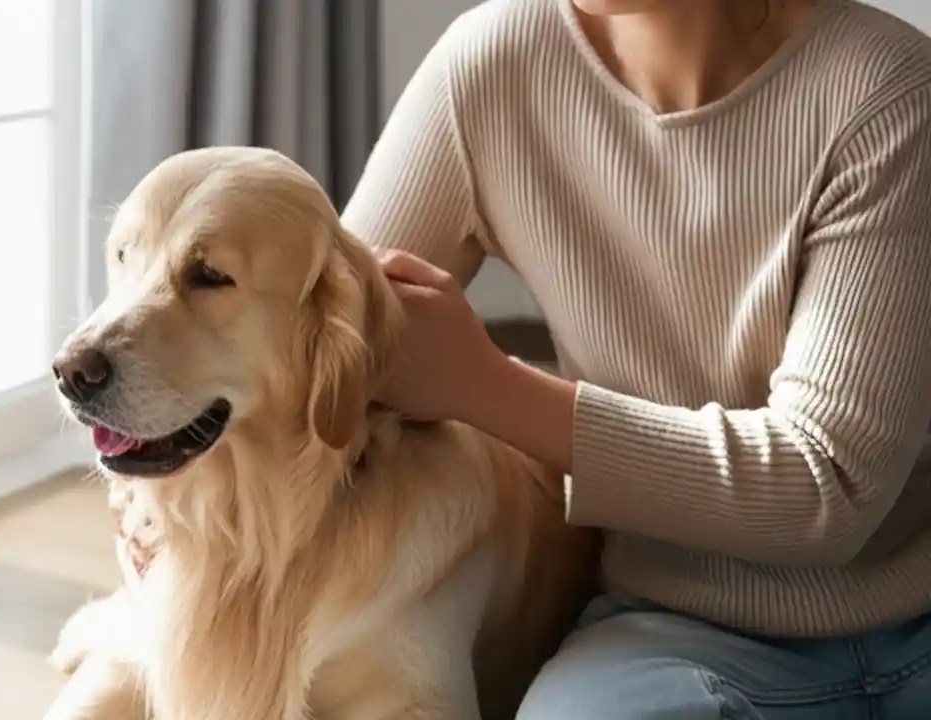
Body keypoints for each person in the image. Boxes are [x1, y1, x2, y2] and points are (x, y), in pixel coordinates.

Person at [340, 0, 931, 717]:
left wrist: (486, 385)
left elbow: (826, 489)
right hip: (674, 633)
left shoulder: (890, 89)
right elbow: (322, 348)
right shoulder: (490, 69)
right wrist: (168, 502)